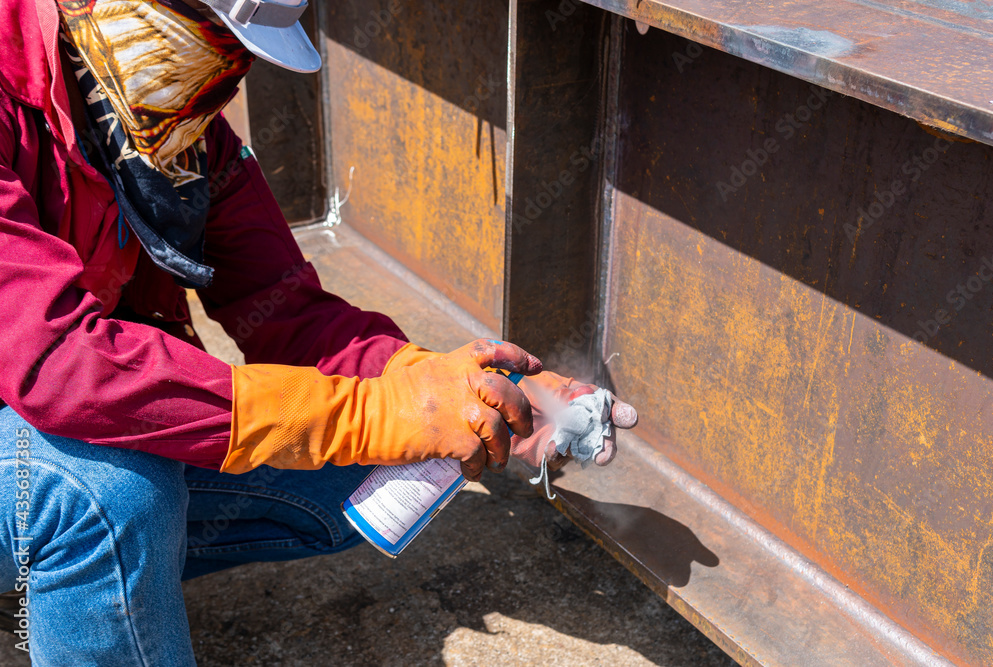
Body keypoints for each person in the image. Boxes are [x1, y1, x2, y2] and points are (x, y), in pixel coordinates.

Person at [0, 0, 638, 663]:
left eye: (235, 51)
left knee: (371, 468)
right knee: (104, 494)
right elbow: (59, 361)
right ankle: (72, 542)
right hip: (29, 415)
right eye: (209, 39)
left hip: (38, 421)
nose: (221, 73)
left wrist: (442, 387)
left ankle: (65, 565)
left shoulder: (176, 137)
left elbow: (289, 313)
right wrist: (368, 413)